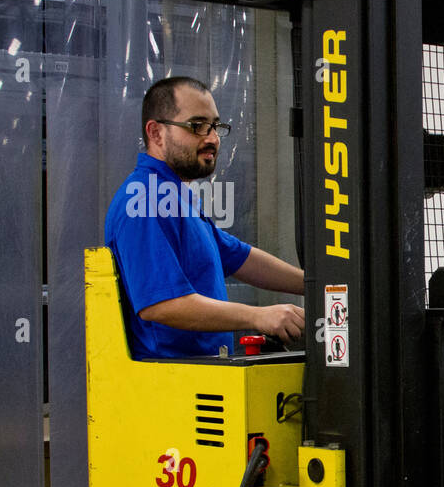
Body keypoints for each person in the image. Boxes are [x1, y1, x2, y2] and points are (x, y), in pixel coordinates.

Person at [104, 76, 304, 359]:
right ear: (156, 133)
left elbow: (239, 257)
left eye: (215, 126)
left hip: (198, 373)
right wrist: (259, 316)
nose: (211, 138)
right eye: (196, 126)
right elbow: (161, 304)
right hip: (171, 383)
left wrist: (316, 284)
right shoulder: (146, 199)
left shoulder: (172, 196)